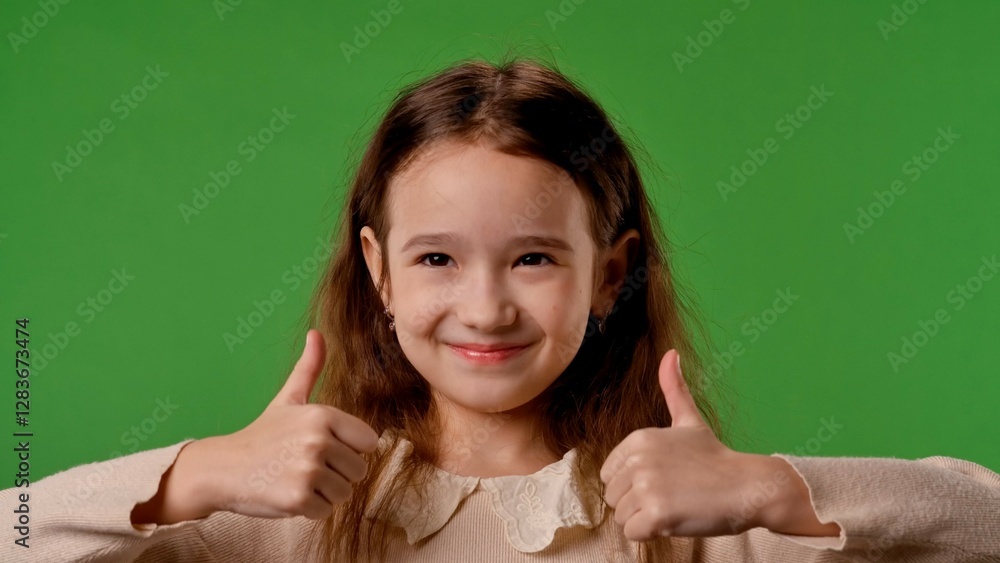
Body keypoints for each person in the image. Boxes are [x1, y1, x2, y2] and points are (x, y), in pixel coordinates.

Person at [3, 56, 999, 563]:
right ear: (379, 271)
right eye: (436, 256)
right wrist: (192, 474)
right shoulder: (285, 514)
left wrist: (777, 489)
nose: (485, 306)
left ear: (611, 275)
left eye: (533, 258)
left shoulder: (692, 514)